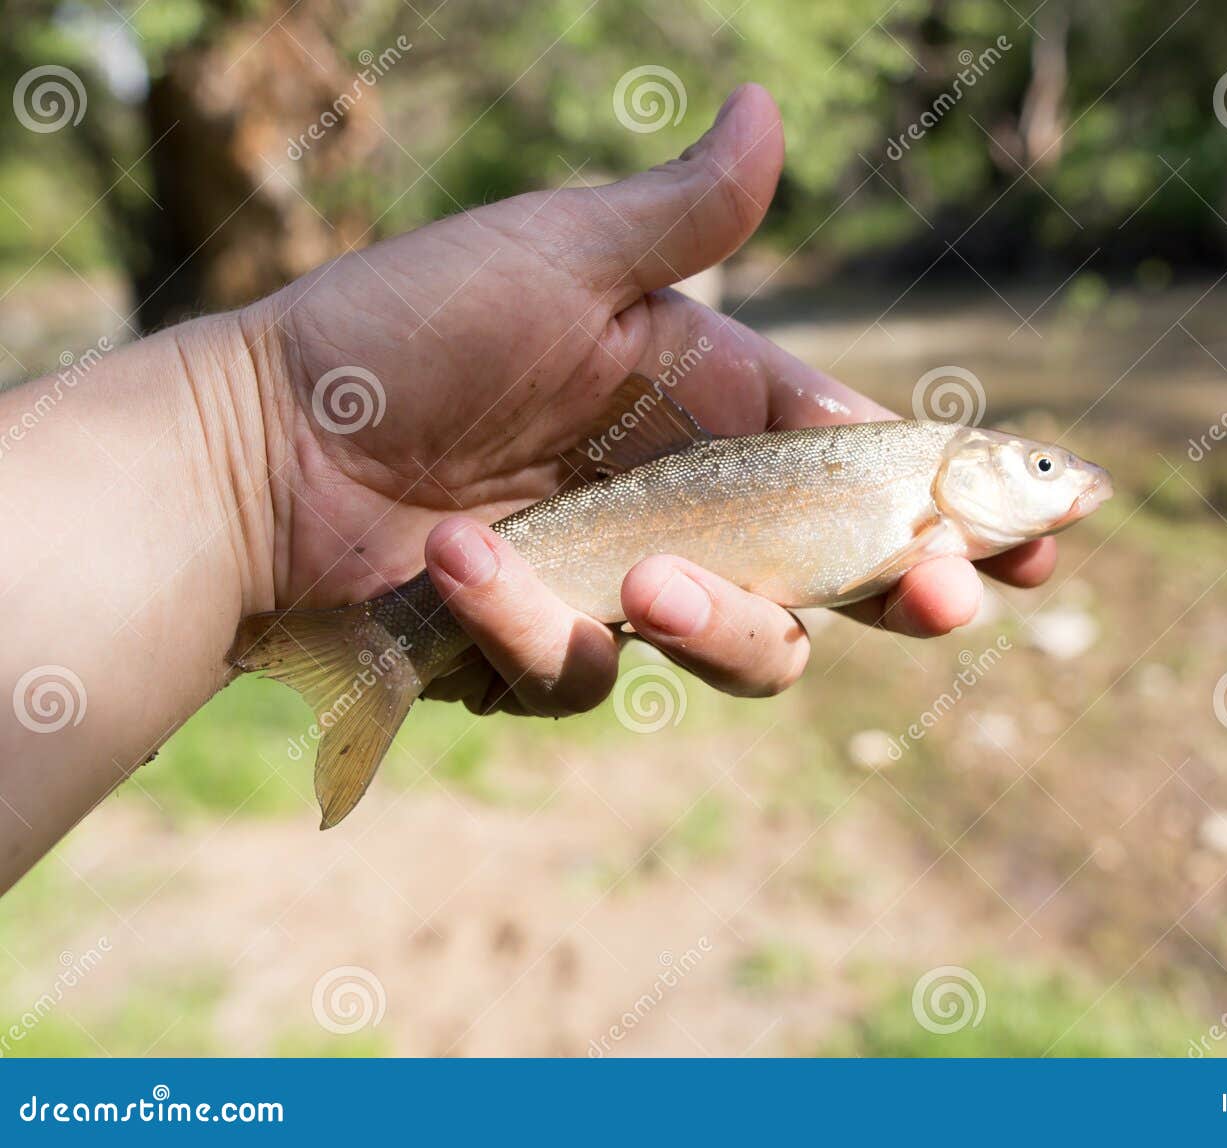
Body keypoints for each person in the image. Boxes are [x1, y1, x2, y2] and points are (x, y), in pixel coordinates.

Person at [0, 85, 1054, 889]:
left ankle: (381, 636)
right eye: (1041, 467)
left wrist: (254, 445)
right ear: (969, 468)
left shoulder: (922, 493)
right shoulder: (915, 481)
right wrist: (265, 432)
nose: (1062, 481)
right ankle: (385, 640)